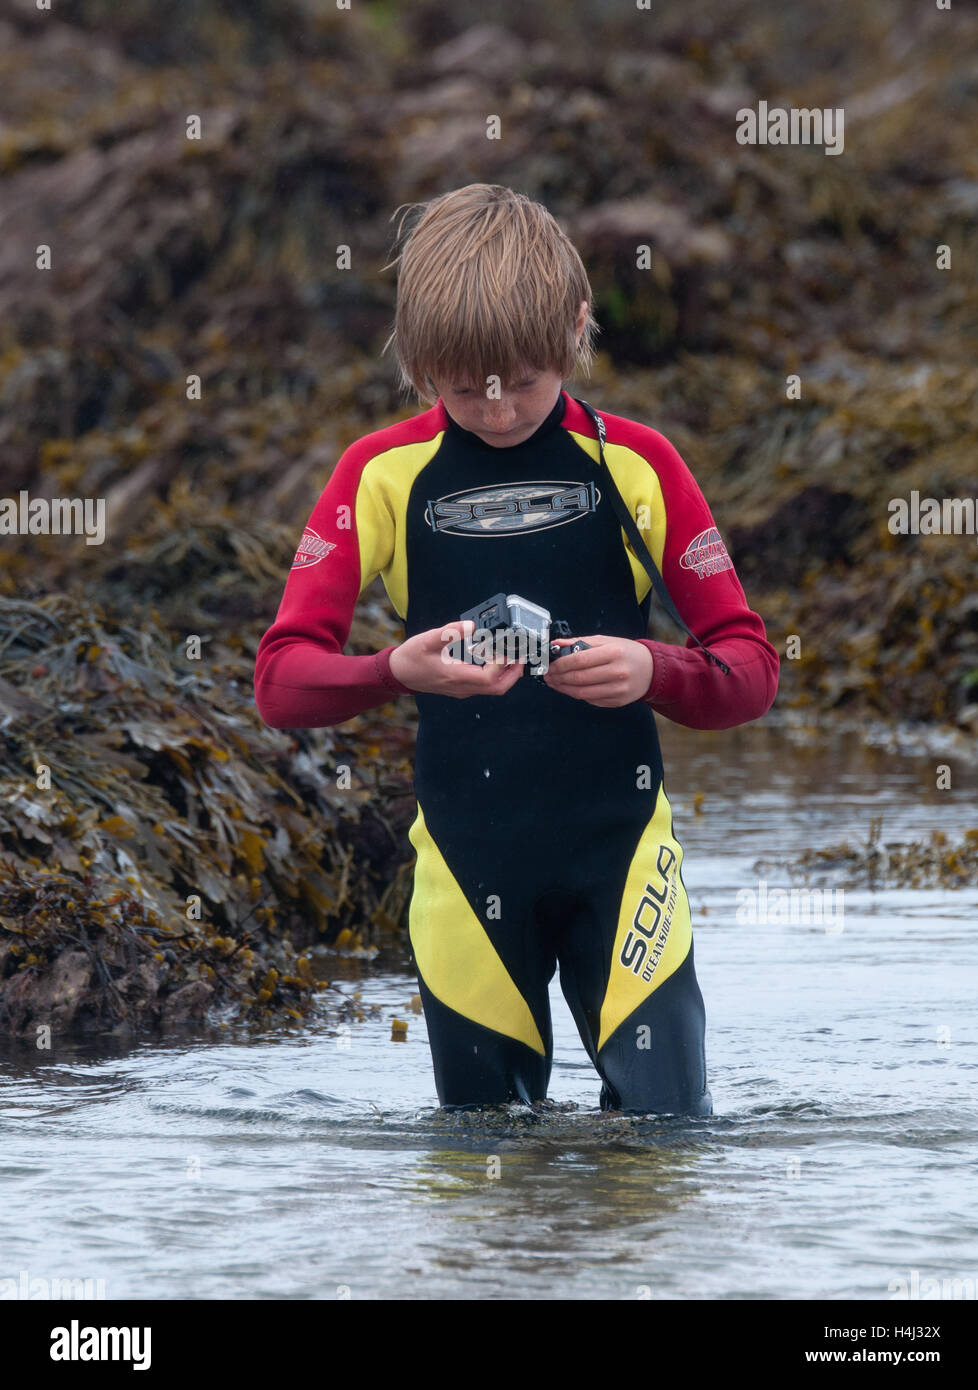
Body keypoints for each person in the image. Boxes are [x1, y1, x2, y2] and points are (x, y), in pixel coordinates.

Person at [255, 183, 779, 1115]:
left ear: (578, 329)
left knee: (666, 1148)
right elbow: (282, 680)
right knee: (480, 1167)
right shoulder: (380, 474)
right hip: (466, 868)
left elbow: (747, 672)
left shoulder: (640, 464)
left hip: (621, 863)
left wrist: (655, 671)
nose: (497, 413)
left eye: (525, 385)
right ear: (417, 364)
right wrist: (393, 670)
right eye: (464, 391)